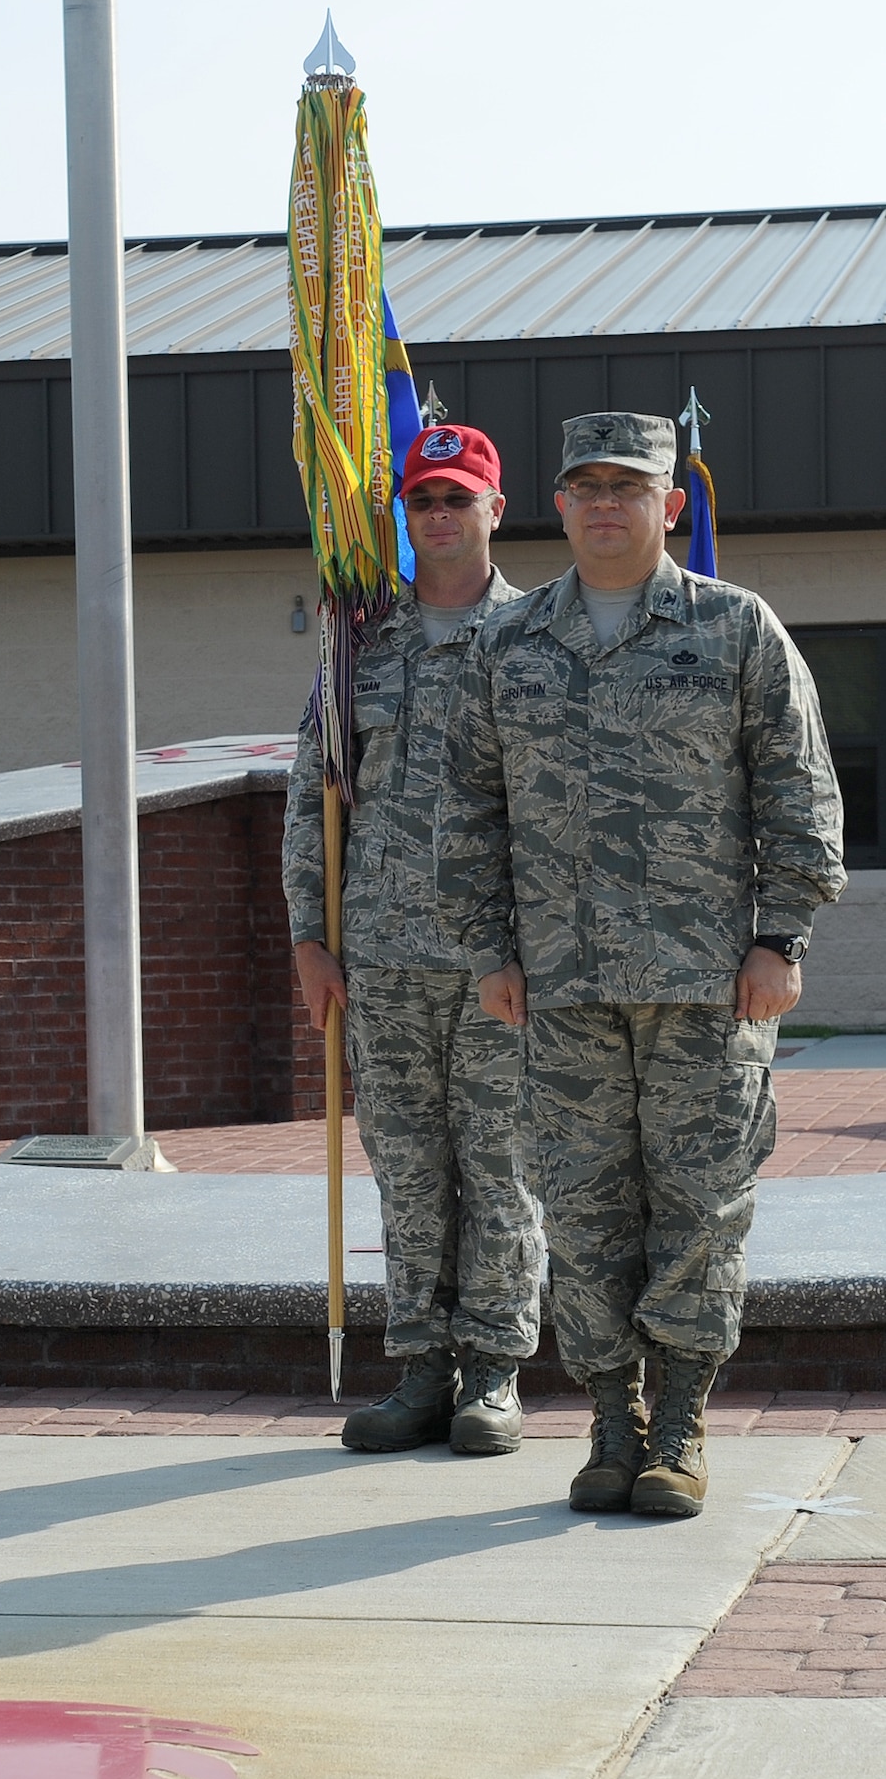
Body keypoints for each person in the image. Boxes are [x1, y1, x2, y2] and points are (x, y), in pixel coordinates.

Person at [438, 411, 845, 1516]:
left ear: (672, 506)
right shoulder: (505, 645)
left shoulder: (734, 629)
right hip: (562, 986)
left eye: (630, 486)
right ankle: (608, 1421)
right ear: (557, 506)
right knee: (581, 1208)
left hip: (706, 984)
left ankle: (678, 1422)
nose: (607, 504)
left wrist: (779, 938)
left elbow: (798, 794)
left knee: (701, 1207)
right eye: (586, 486)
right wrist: (489, 950)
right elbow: (467, 811)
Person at [283, 423, 544, 1457]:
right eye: (422, 500)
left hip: (499, 961)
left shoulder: (540, 640)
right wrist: (310, 937)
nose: (437, 516)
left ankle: (493, 1370)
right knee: (406, 1169)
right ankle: (421, 1367)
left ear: (495, 507)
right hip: (381, 957)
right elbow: (313, 798)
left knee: (499, 1163)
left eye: (456, 497)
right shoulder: (358, 644)